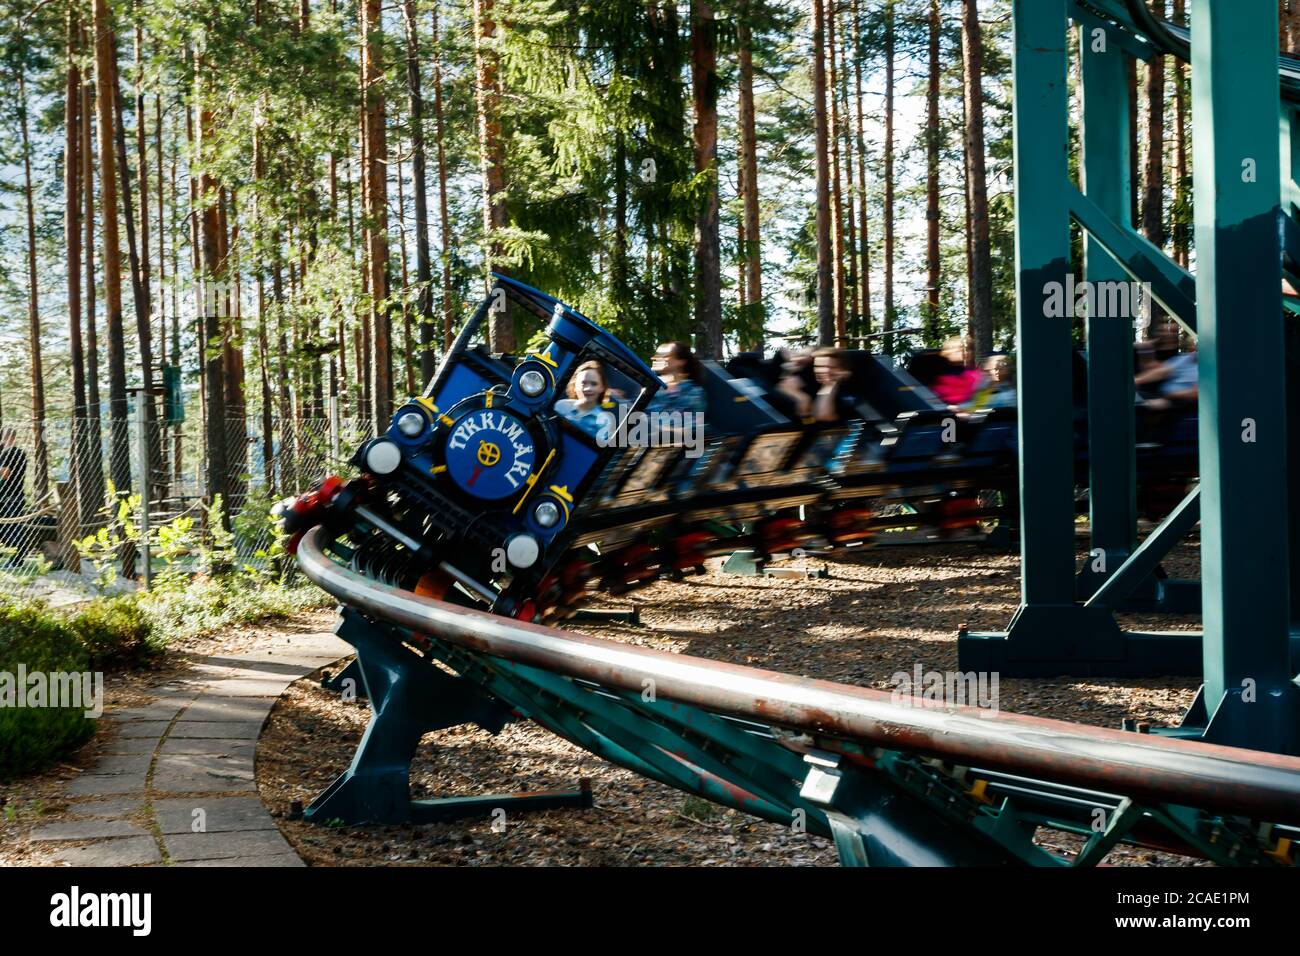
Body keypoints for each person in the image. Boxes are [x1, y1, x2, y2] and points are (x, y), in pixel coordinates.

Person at [555, 360, 618, 442]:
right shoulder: (561, 406)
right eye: (583, 383)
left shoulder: (605, 422)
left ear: (602, 388)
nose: (588, 388)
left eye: (594, 384)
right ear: (575, 385)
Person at [1135, 333, 1197, 411]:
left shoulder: (1210, 368)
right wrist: (1138, 380)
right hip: (1163, 394)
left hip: (1180, 402)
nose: (1194, 349)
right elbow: (1164, 371)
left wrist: (1168, 396)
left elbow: (1195, 393)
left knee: (1142, 407)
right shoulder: (1187, 358)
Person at [648, 341, 707, 416]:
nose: (654, 358)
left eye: (664, 355)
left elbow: (691, 426)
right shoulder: (650, 386)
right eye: (656, 355)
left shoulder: (693, 393)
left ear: (681, 361)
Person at [0, 427, 29, 567]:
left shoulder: (7, 453)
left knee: (12, 528)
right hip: (18, 494)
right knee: (16, 526)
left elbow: (5, 473)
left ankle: (16, 560)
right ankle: (18, 558)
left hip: (8, 496)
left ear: (6, 438)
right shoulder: (21, 453)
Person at [811, 348, 860, 422]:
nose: (823, 371)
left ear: (842, 370)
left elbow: (824, 415)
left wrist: (830, 384)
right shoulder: (810, 384)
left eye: (832, 367)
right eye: (818, 366)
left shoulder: (848, 391)